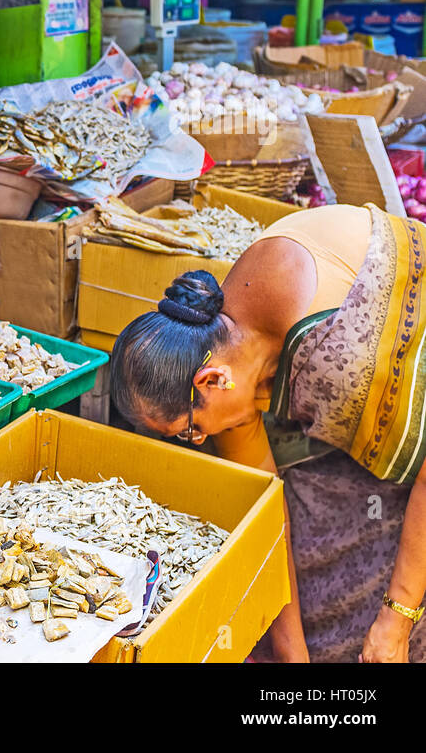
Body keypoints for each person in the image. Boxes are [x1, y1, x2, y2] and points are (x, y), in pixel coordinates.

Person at [109, 205, 426, 663]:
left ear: (210, 381)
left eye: (189, 431)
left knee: (373, 594)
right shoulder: (228, 347)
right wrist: (291, 654)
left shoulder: (336, 357)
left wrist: (396, 618)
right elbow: (268, 518)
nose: (198, 442)